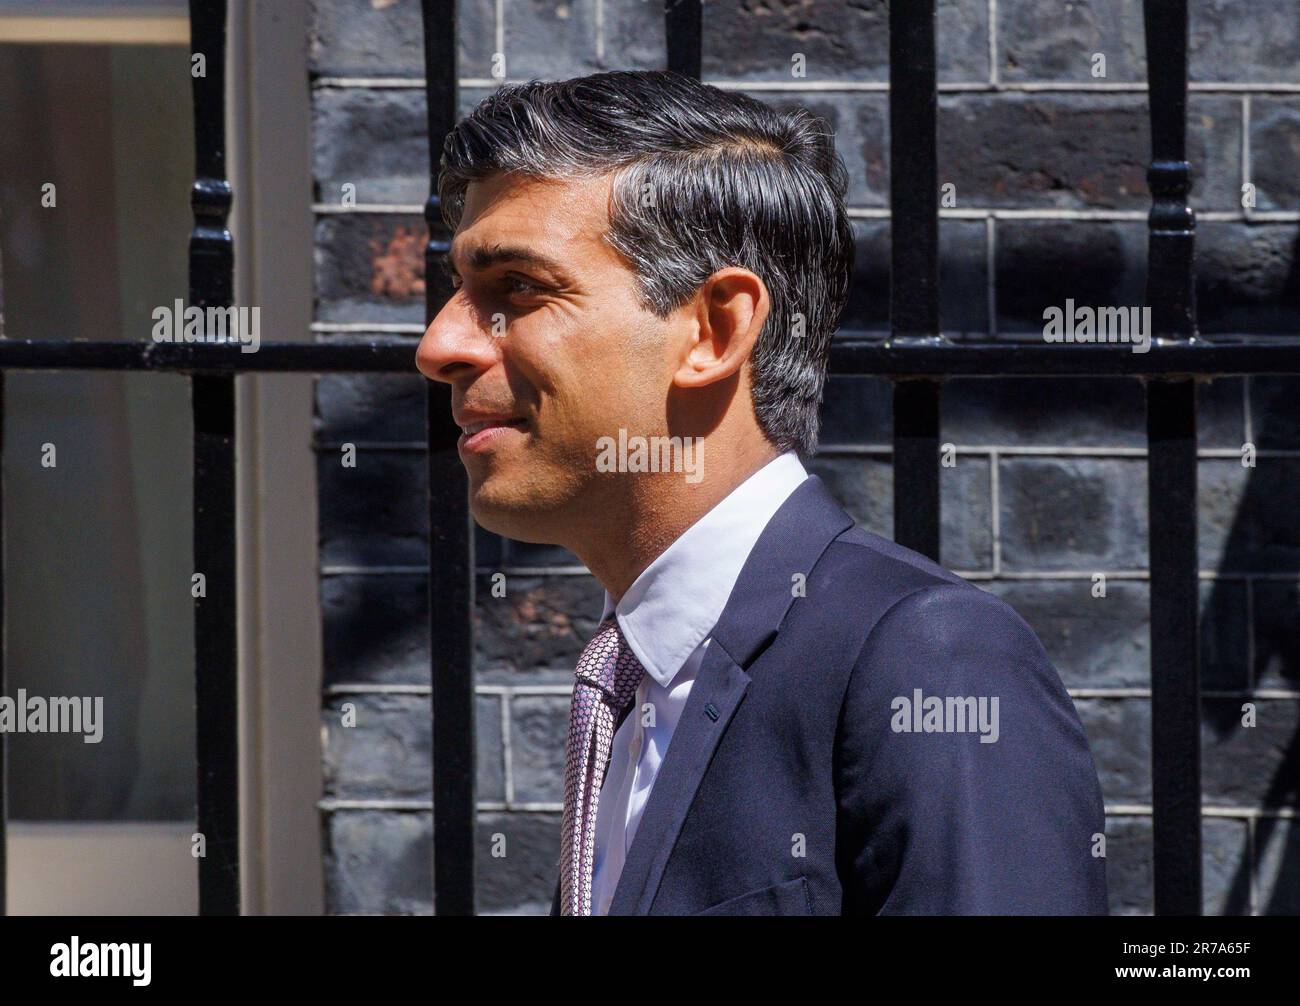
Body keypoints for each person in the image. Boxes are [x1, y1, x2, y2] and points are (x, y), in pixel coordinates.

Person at [415, 70, 1108, 916]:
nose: (442, 343)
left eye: (516, 287)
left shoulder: (930, 656)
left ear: (715, 329)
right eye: (456, 291)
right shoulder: (634, 677)